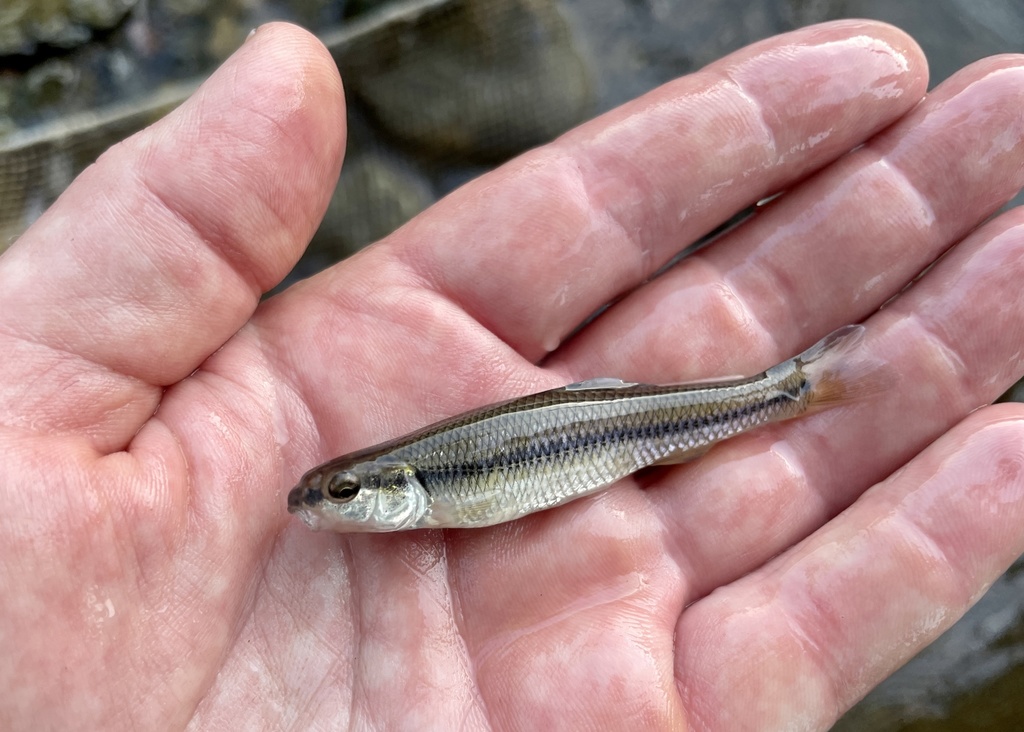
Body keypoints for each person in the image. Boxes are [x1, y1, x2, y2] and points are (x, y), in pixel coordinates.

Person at [1, 18, 1022, 730]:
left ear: (395, 489)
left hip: (622, 428)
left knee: (728, 406)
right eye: (332, 493)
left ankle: (793, 386)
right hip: (605, 431)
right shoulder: (425, 492)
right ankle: (793, 387)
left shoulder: (438, 485)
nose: (327, 505)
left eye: (343, 493)